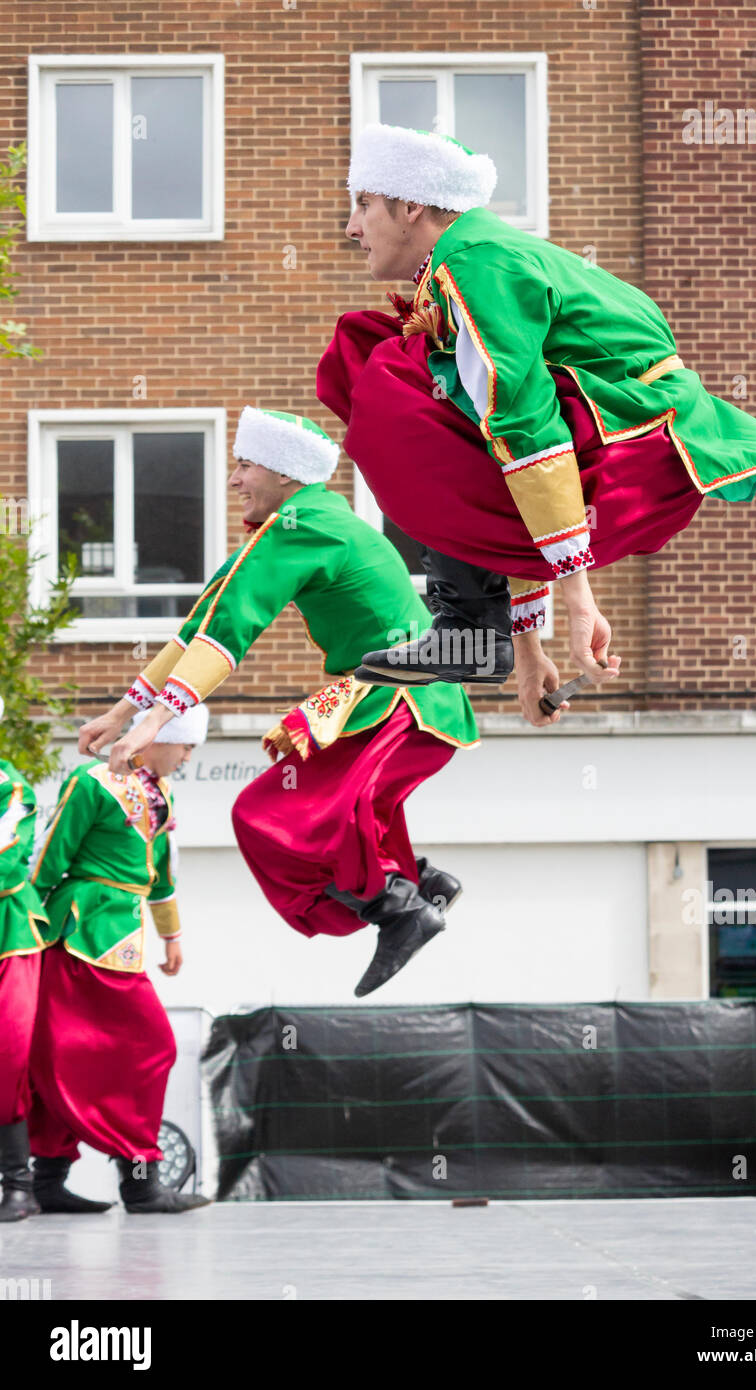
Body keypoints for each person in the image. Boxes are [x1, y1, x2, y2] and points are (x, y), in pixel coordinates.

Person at [316, 123, 756, 725]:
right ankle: (473, 628)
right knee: (374, 353)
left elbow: (524, 423)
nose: (352, 227)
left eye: (362, 204)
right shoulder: (465, 261)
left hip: (637, 442)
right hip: (617, 436)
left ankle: (470, 622)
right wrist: (526, 648)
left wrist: (578, 599)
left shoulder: (476, 261)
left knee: (388, 369)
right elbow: (493, 459)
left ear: (411, 205)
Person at [76, 408, 478, 998]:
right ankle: (415, 887)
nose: (234, 480)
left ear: (286, 475)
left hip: (403, 700)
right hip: (406, 697)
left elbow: (229, 633)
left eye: (244, 465)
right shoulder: (309, 519)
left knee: (272, 815)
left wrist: (154, 721)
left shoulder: (300, 524)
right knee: (335, 814)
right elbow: (201, 626)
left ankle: (401, 904)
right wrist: (122, 712)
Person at [27, 706, 212, 1214]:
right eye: (186, 743)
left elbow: (161, 874)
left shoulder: (163, 792)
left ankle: (54, 1181)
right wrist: (22, 933)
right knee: (146, 1046)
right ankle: (136, 1183)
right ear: (156, 737)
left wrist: (172, 935)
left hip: (122, 938)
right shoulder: (92, 782)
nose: (190, 754)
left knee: (65, 1055)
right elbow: (48, 860)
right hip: (78, 934)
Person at [0, 695, 55, 1221]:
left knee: (7, 1056)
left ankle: (19, 1185)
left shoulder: (10, 788)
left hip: (9, 935)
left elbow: (9, 863)